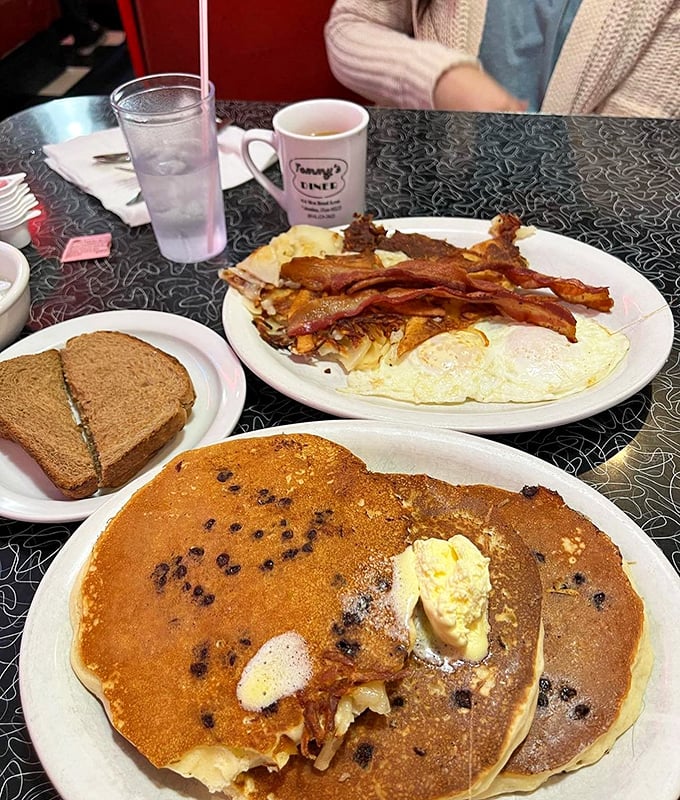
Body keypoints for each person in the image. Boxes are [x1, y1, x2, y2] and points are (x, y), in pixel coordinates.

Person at [324, 0, 680, 117]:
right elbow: (351, 28)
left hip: (590, 213)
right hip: (424, 183)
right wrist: (439, 78)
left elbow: (629, 146)